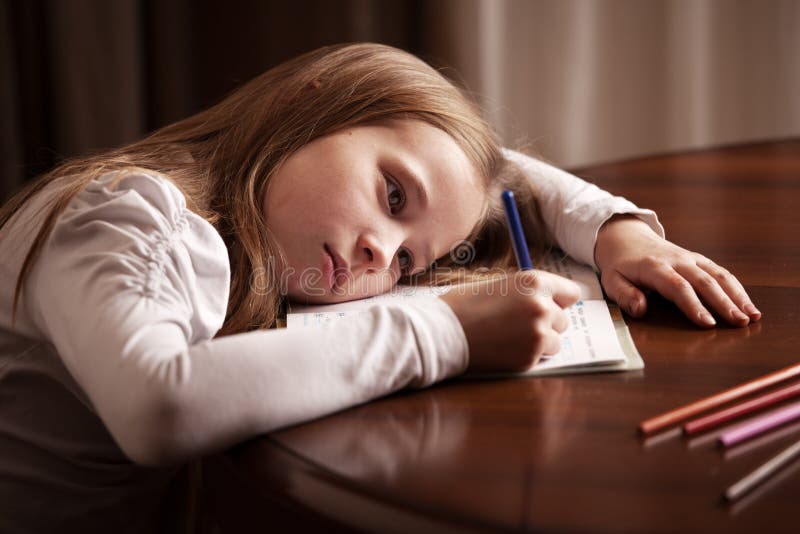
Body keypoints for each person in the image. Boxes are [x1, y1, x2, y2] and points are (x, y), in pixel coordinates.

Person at [0, 43, 759, 531]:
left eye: (406, 268)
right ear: (315, 103)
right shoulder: (126, 217)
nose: (378, 253)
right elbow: (156, 406)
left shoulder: (259, 231)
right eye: (392, 198)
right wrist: (447, 333)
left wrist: (614, 230)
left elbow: (478, 167)